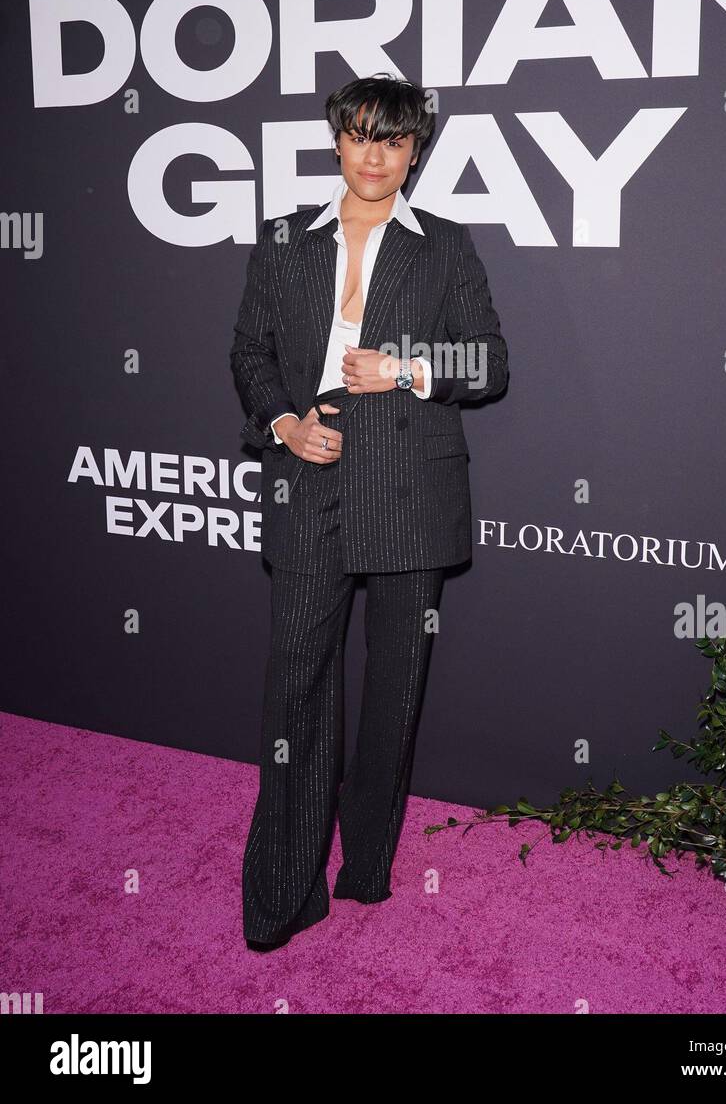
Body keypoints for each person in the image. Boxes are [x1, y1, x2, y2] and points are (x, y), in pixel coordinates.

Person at [230, 73, 508, 951]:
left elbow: (491, 364)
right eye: (359, 136)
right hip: (314, 475)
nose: (375, 155)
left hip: (412, 487)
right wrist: (283, 424)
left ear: (414, 151)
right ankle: (283, 890)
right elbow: (250, 352)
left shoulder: (446, 247)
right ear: (336, 141)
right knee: (297, 686)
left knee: (394, 692)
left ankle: (367, 867)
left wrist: (407, 366)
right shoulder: (283, 242)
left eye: (393, 140)